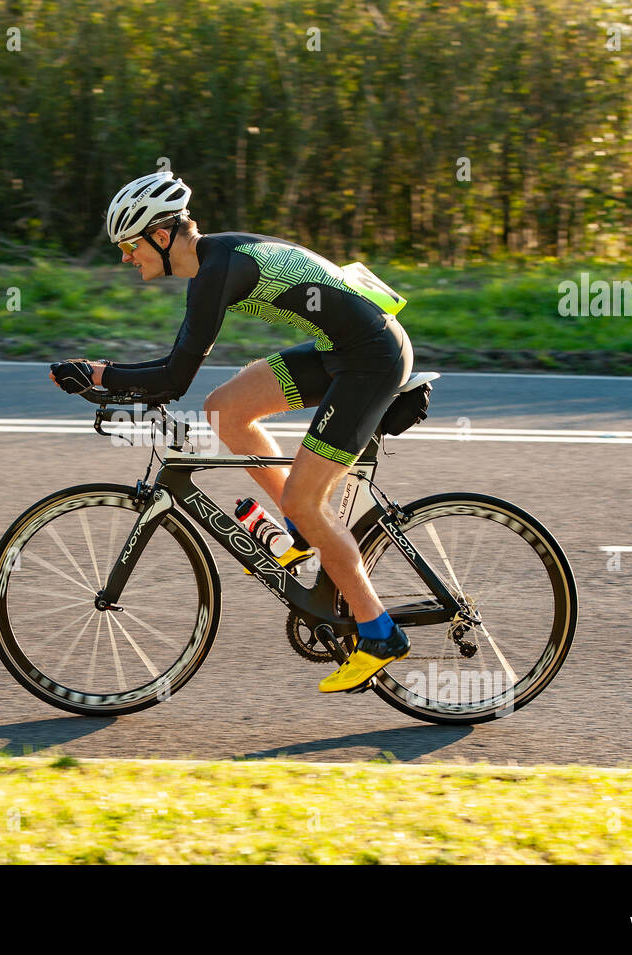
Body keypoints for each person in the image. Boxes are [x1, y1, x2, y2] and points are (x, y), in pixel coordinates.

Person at [49, 170, 413, 693]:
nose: (125, 259)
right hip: (345, 349)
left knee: (310, 501)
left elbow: (174, 377)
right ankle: (299, 534)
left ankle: (378, 631)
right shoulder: (215, 262)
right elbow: (180, 378)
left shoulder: (218, 269)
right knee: (225, 408)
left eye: (129, 246)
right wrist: (107, 380)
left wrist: (100, 374)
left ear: (160, 235)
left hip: (372, 359)